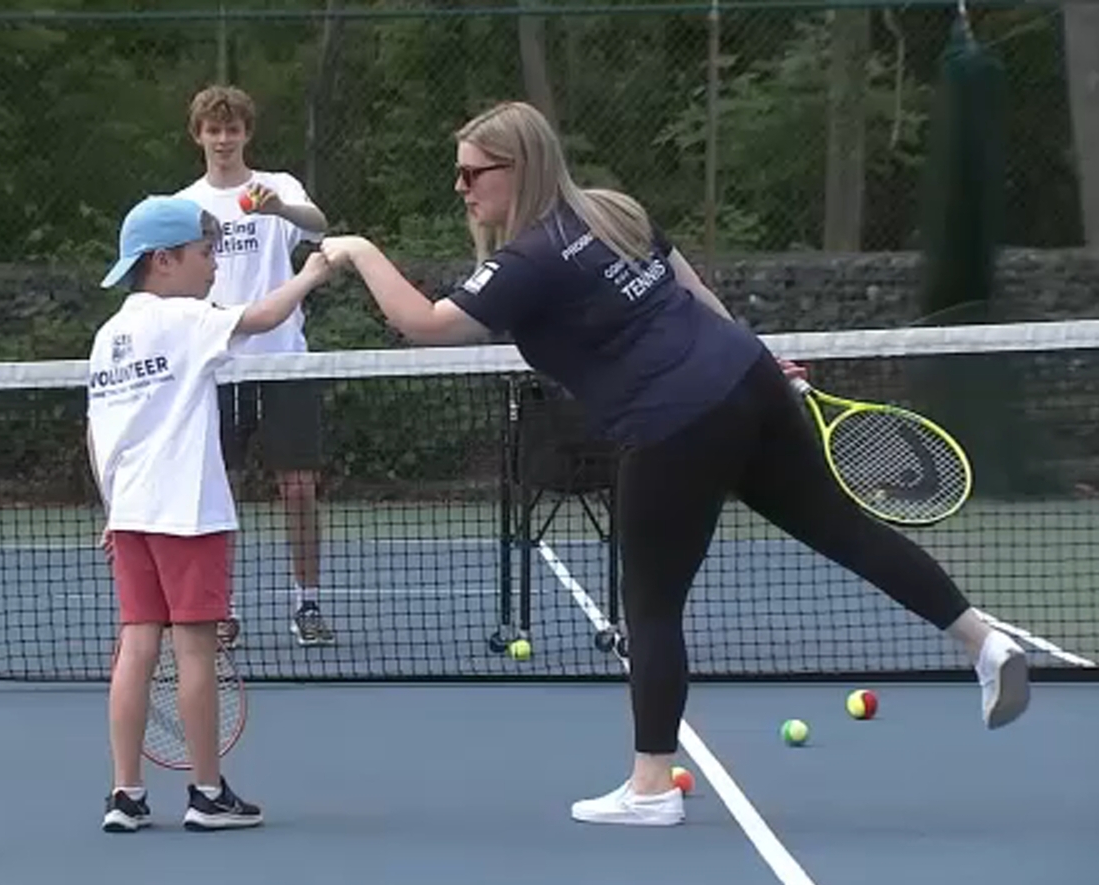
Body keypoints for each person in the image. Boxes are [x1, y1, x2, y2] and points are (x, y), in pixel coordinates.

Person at [319, 100, 1030, 828]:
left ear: (519, 169)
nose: (462, 188)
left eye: (473, 173)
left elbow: (426, 326)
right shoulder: (612, 212)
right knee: (845, 531)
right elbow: (699, 297)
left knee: (651, 607)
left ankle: (652, 787)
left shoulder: (525, 260)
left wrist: (359, 251)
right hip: (747, 377)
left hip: (673, 424)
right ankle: (981, 640)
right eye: (458, 173)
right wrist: (766, 367)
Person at [88, 195, 335, 833]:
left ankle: (126, 795)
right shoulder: (184, 318)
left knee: (137, 644)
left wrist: (112, 509)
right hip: (187, 513)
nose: (214, 266)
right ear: (164, 261)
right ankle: (204, 793)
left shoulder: (109, 335)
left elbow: (97, 436)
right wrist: (309, 275)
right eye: (205, 253)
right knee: (195, 647)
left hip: (133, 513)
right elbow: (260, 318)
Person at [174, 84, 335, 648]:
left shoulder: (279, 187)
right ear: (199, 136)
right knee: (220, 492)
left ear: (247, 133)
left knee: (298, 490)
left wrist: (279, 208)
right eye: (214, 130)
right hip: (215, 369)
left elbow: (317, 225)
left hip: (285, 363)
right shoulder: (185, 206)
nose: (224, 139)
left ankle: (307, 603)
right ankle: (222, 610)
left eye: (233, 129)